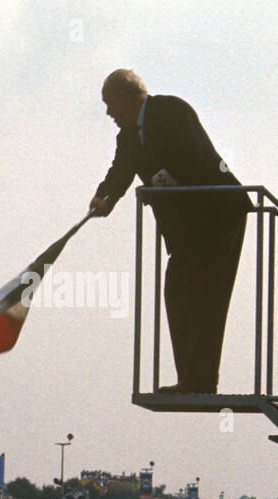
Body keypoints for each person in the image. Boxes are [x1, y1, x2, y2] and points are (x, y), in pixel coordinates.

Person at [90, 68, 250, 394]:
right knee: (177, 292)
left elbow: (191, 158)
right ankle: (192, 378)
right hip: (189, 230)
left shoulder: (172, 110)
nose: (108, 113)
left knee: (203, 293)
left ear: (125, 97)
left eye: (110, 104)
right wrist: (103, 197)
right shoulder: (129, 137)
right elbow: (120, 171)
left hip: (217, 215)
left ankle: (201, 380)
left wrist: (156, 187)